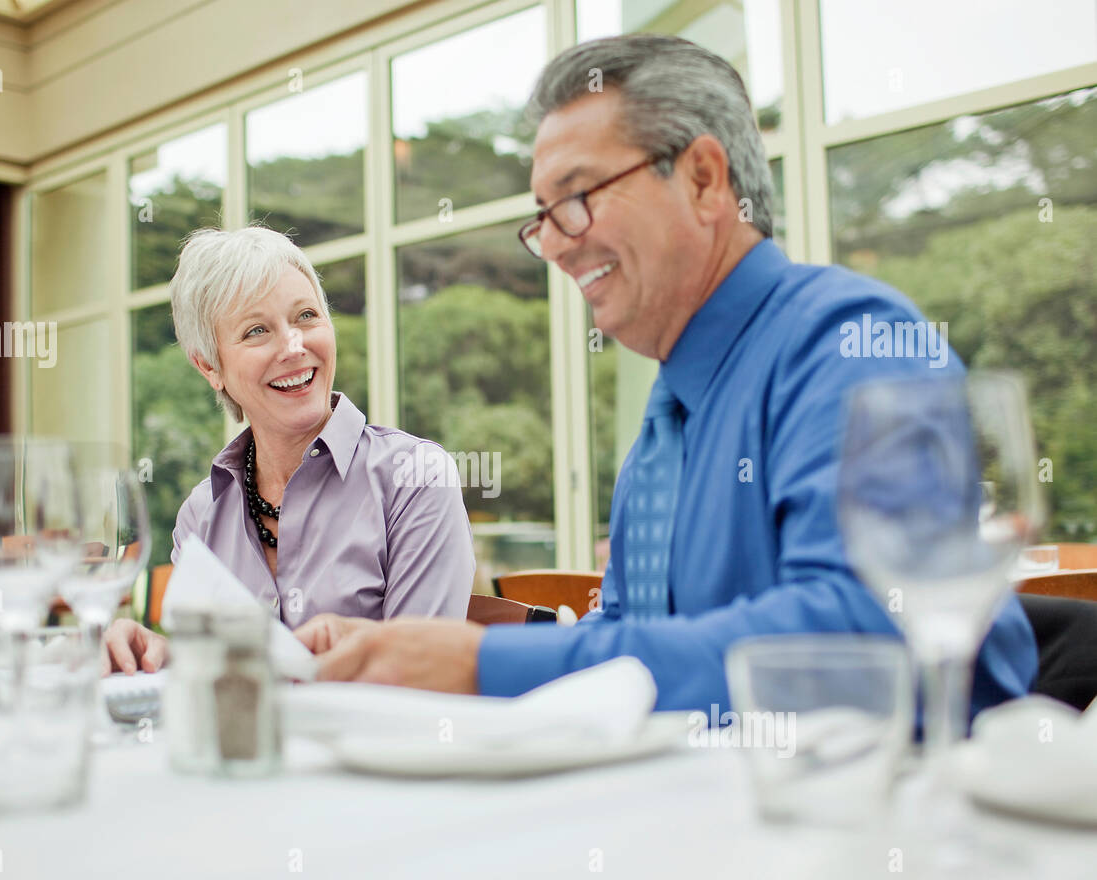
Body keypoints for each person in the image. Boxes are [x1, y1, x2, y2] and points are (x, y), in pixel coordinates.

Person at [295, 34, 1038, 715]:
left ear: (706, 180)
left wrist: (481, 662)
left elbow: (867, 632)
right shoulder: (664, 421)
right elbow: (625, 635)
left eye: (577, 199)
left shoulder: (849, 342)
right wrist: (411, 656)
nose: (554, 245)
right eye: (542, 217)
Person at [105, 227, 474, 673]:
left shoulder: (416, 477)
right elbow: (210, 682)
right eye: (257, 330)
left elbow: (419, 674)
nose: (294, 347)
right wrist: (159, 655)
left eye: (306, 316)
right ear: (209, 366)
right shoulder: (200, 515)